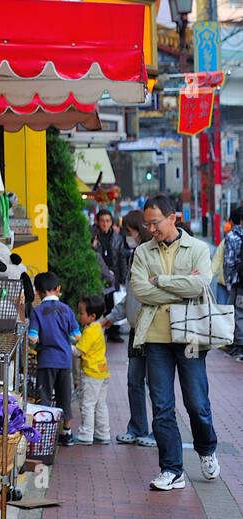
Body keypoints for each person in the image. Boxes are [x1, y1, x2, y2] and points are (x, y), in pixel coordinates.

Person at [127, 194, 221, 491]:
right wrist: (179, 288)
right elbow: (141, 291)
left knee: (196, 401)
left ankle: (206, 449)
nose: (151, 228)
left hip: (191, 334)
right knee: (162, 405)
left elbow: (200, 284)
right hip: (155, 338)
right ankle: (172, 469)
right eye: (147, 224)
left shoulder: (198, 249)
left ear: (173, 217)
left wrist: (161, 282)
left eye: (155, 222)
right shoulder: (143, 252)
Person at [104, 210, 156, 447]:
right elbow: (130, 296)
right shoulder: (136, 255)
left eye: (130, 231)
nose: (128, 236)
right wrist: (111, 318)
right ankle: (137, 427)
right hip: (136, 330)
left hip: (155, 331)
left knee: (157, 385)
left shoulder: (154, 256)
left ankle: (158, 432)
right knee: (134, 381)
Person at [29, 271, 81, 447]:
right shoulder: (67, 310)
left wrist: (33, 345)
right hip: (65, 360)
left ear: (37, 292)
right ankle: (66, 433)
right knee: (64, 397)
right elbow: (77, 336)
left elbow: (33, 338)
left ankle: (44, 434)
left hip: (46, 361)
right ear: (58, 289)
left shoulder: (37, 312)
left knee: (44, 396)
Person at [73, 296, 110, 445]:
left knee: (87, 404)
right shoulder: (97, 328)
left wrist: (63, 345)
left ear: (92, 316)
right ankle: (103, 433)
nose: (78, 316)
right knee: (101, 404)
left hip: (91, 373)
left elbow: (78, 352)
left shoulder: (89, 331)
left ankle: (86, 434)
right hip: (102, 372)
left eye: (81, 313)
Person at [92, 208, 125, 341]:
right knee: (99, 304)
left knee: (114, 303)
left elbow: (122, 257)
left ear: (111, 222)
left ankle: (114, 332)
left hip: (114, 274)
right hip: (98, 275)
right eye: (102, 221)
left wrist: (122, 277)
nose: (105, 224)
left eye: (107, 221)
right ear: (98, 222)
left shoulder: (118, 238)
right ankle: (97, 331)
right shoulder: (93, 236)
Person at [221, 205, 243, 361]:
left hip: (238, 280)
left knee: (236, 312)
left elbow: (229, 262)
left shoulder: (232, 237)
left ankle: (238, 345)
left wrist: (228, 280)